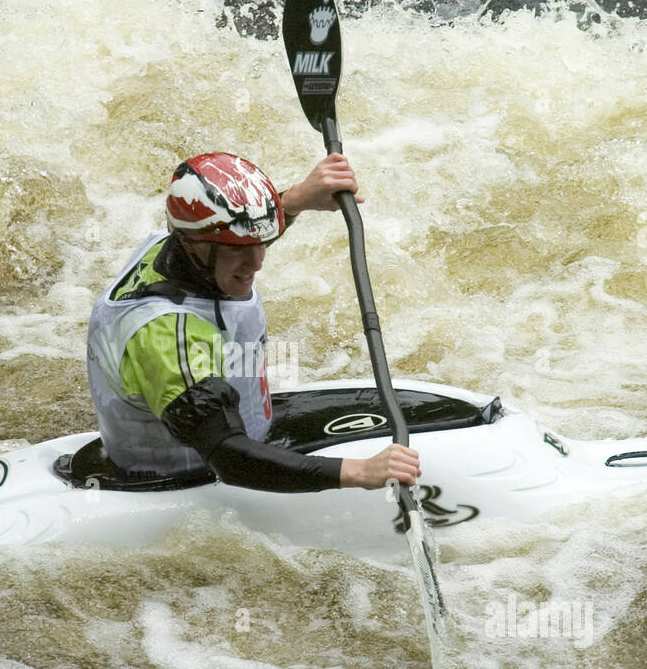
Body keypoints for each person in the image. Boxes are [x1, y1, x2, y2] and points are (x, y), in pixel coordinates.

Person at [86, 151, 420, 492]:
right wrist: (359, 473)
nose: (256, 262)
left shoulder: (176, 248)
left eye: (260, 244)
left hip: (237, 432)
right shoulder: (168, 343)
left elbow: (238, 232)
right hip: (189, 477)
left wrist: (294, 201)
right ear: (191, 245)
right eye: (237, 250)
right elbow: (230, 458)